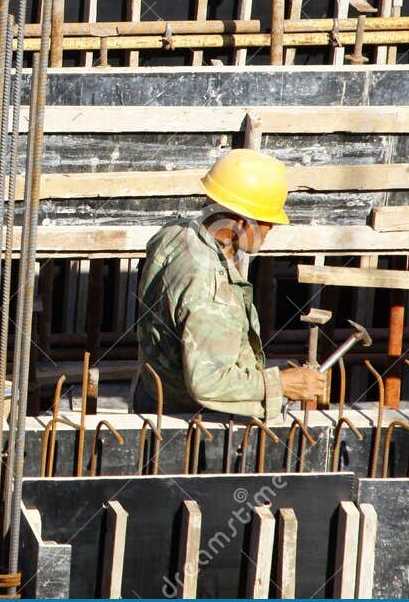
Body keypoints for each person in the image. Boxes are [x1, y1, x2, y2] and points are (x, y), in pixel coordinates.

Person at [134, 148, 325, 420]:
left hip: (154, 394)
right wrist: (282, 383)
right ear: (240, 221)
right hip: (193, 422)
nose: (271, 230)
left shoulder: (176, 234)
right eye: (268, 222)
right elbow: (208, 382)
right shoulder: (209, 285)